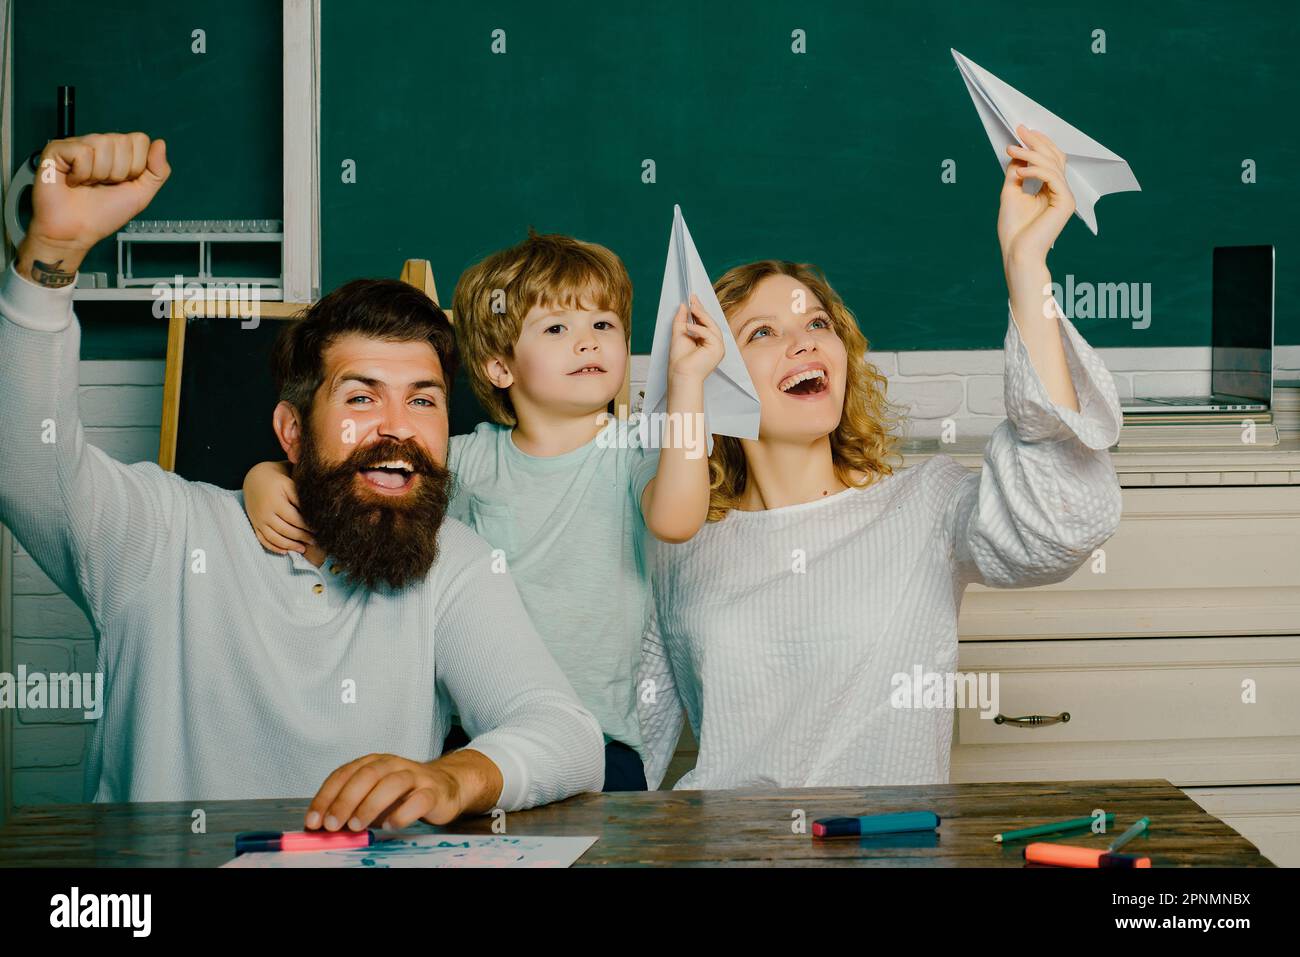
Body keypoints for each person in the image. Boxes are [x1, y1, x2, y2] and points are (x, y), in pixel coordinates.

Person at [0, 131, 604, 830]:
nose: (397, 427)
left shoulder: (454, 564)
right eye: (360, 396)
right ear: (290, 432)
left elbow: (566, 733)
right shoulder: (163, 535)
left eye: (423, 399)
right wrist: (53, 254)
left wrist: (454, 777)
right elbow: (23, 460)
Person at [637, 126, 1125, 790]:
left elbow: (1063, 518)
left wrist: (1026, 262)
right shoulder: (681, 538)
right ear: (715, 374)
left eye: (818, 324)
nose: (805, 343)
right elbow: (636, 731)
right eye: (763, 332)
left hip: (890, 848)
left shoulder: (924, 505)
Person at [243, 230, 724, 790]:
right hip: (466, 738)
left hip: (597, 742)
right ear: (500, 368)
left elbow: (678, 518)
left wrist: (686, 379)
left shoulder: (634, 451)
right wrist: (267, 476)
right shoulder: (468, 457)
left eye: (603, 324)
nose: (589, 342)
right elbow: (371, 474)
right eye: (556, 328)